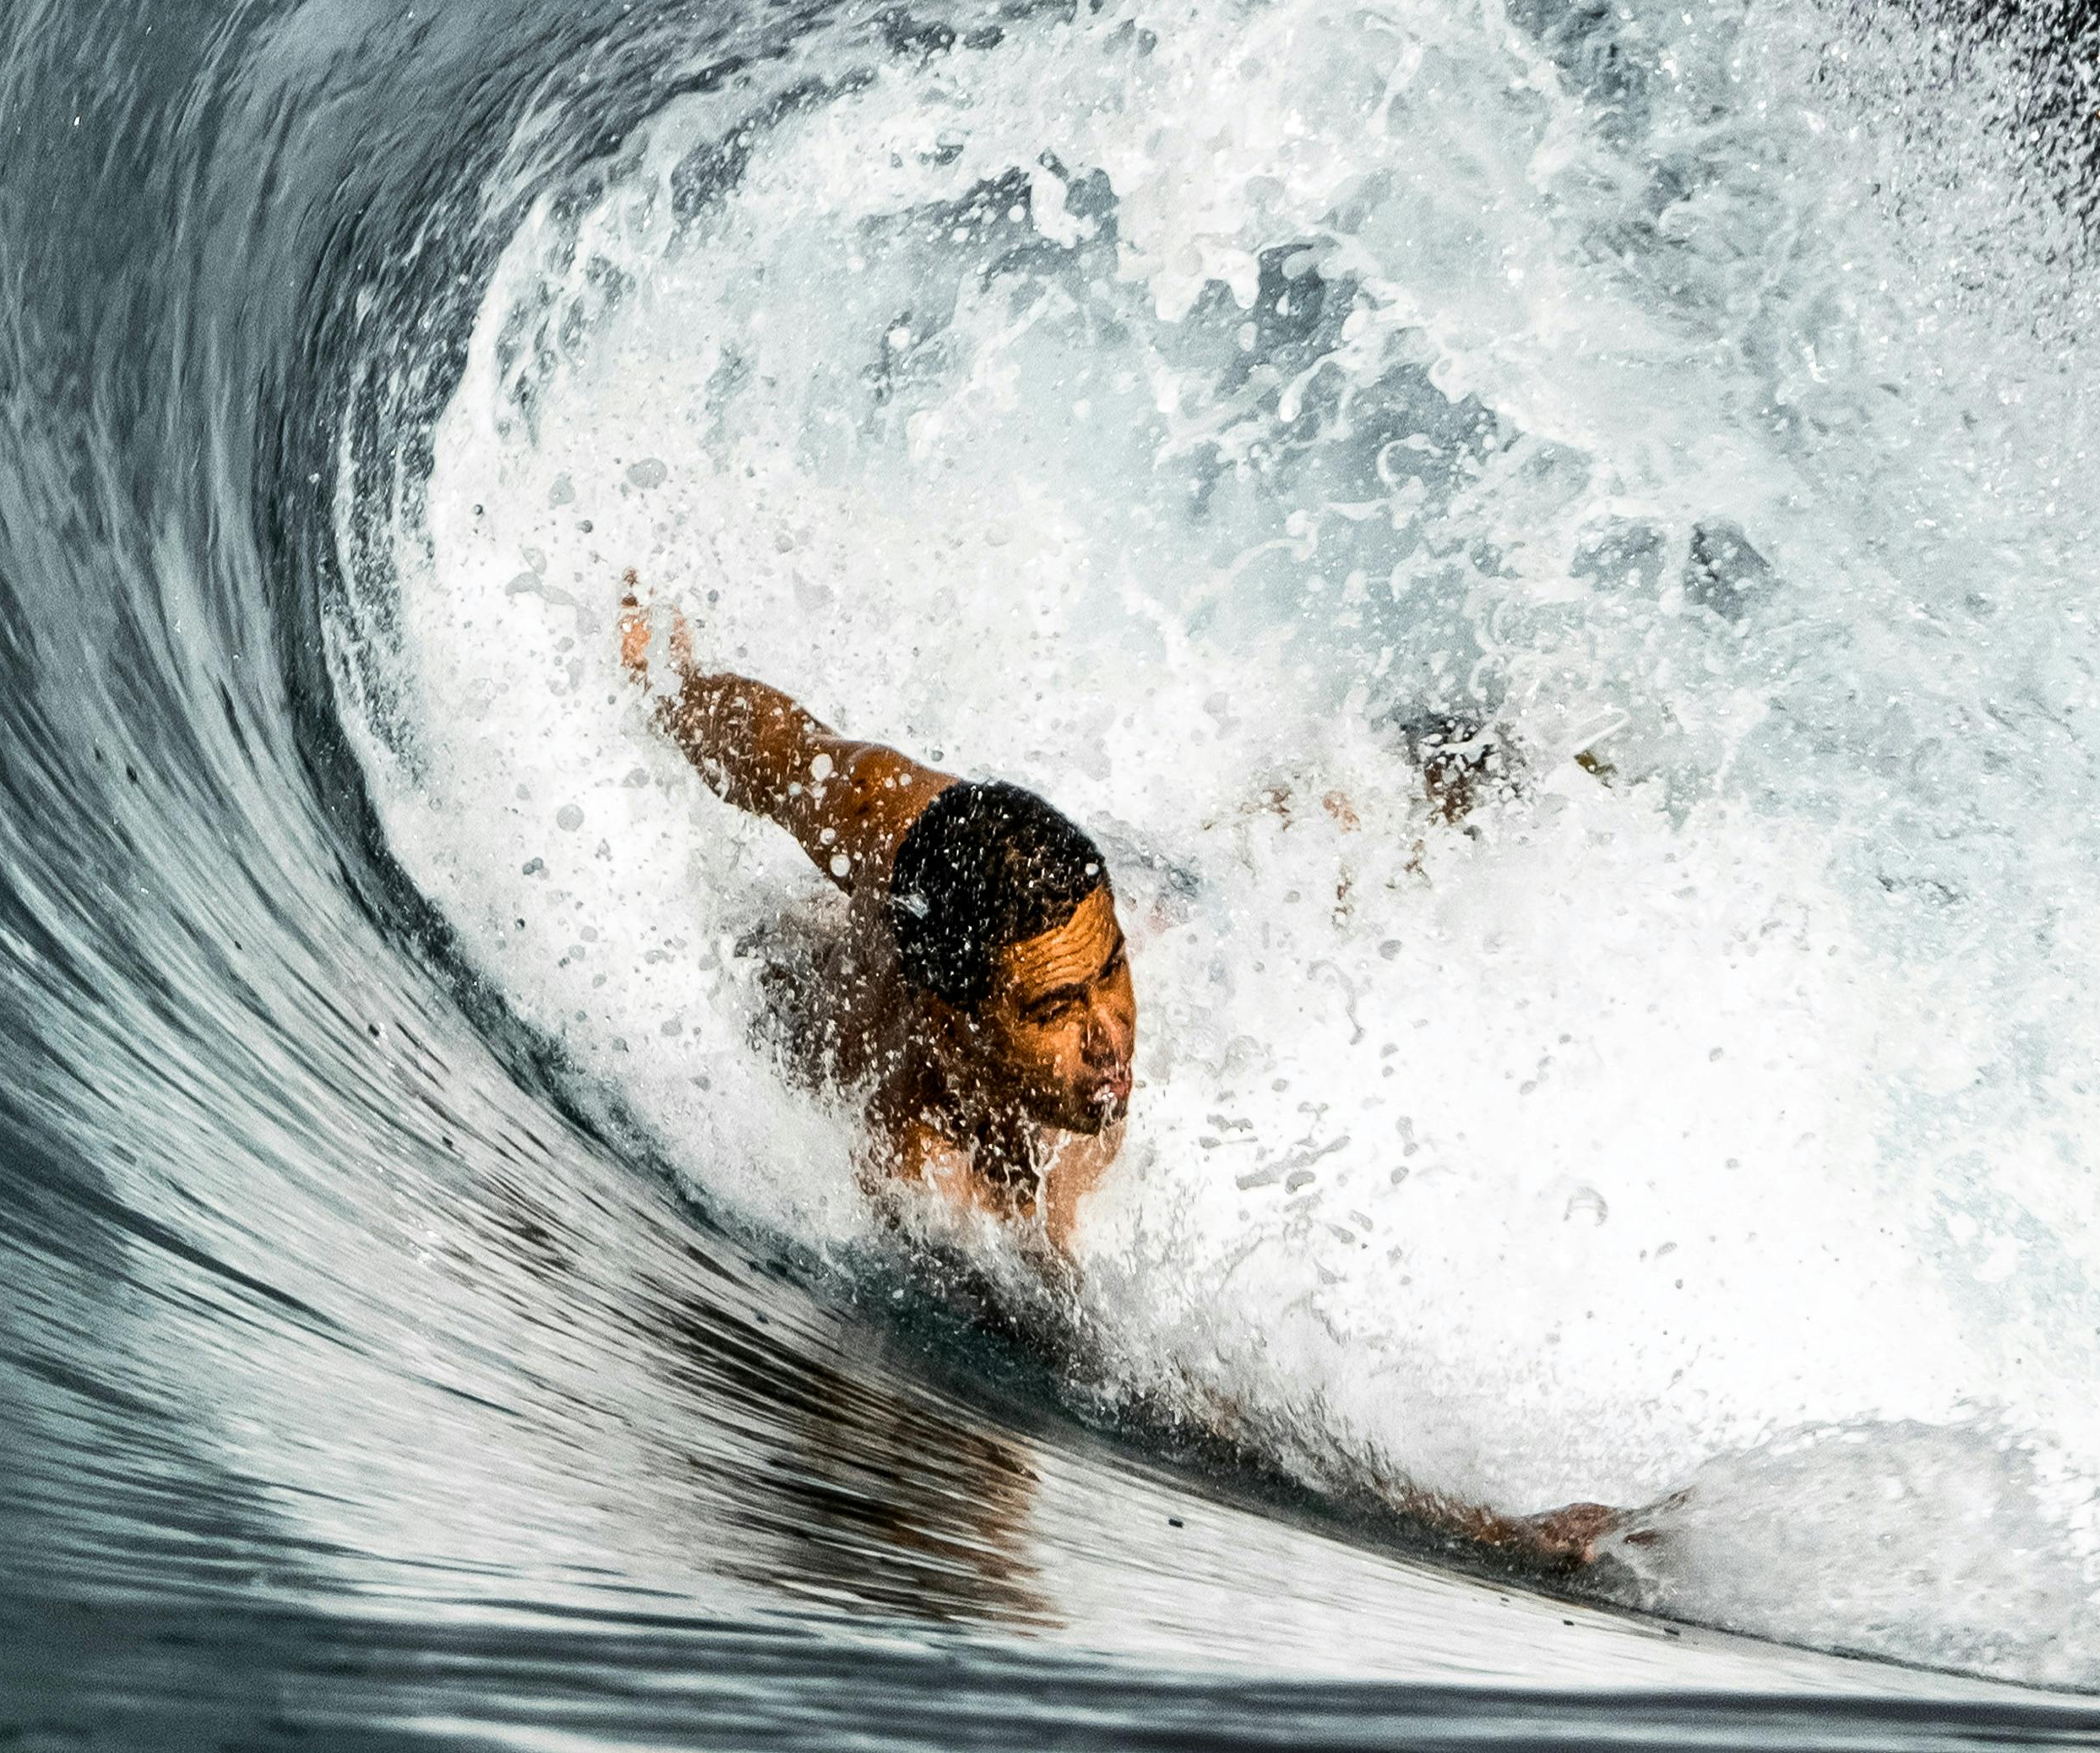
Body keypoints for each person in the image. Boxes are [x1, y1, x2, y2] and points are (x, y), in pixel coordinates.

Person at [615, 580, 1632, 1579]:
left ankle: (1477, 761)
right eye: (1057, 1015)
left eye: (1112, 983)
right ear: (950, 1025)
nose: (1111, 1042)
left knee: (1273, 855)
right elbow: (1177, 1409)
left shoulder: (916, 819)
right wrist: (1488, 1531)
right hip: (860, 987)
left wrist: (673, 678)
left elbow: (775, 741)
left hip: (1130, 892)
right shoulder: (945, 1186)